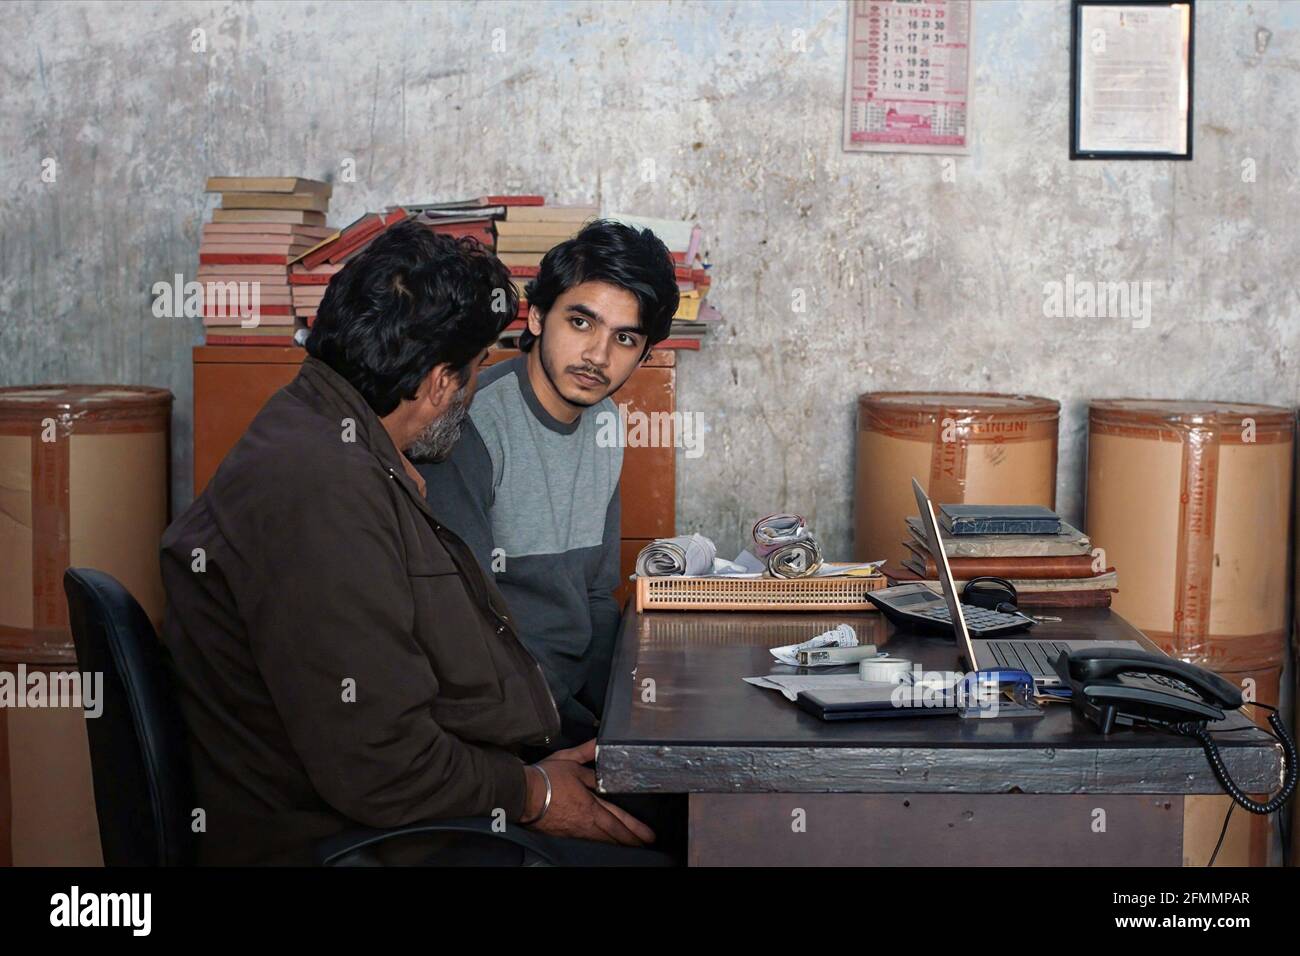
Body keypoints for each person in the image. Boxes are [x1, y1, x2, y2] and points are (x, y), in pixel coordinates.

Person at [159, 220, 660, 865]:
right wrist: (533, 790)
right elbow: (381, 761)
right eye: (479, 367)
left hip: (362, 804)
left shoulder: (311, 428)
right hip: (337, 838)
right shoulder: (328, 492)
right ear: (440, 383)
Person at [416, 219, 679, 748]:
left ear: (644, 354)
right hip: (503, 723)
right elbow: (458, 627)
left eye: (624, 338)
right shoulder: (472, 424)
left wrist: (629, 721)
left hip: (572, 706)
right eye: (581, 323)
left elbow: (597, 597)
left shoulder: (606, 423)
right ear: (536, 315)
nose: (598, 357)